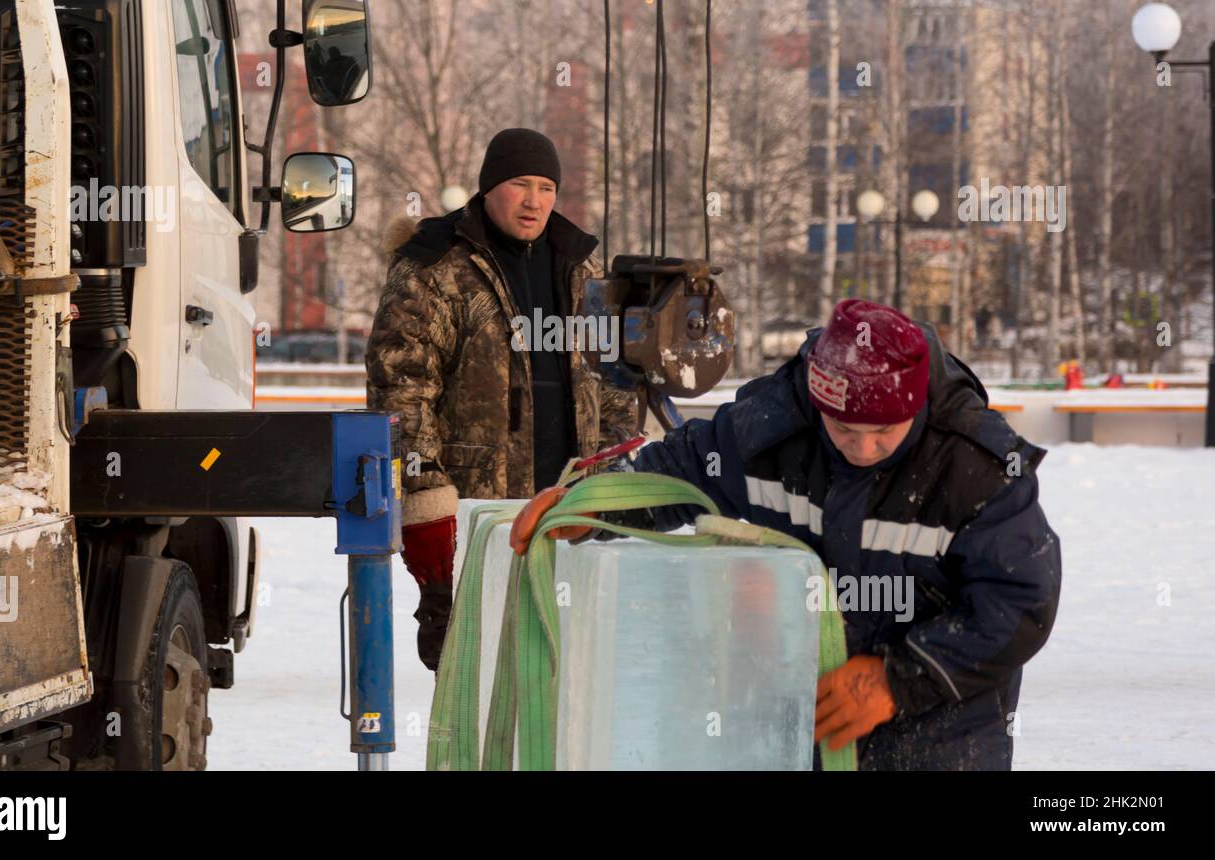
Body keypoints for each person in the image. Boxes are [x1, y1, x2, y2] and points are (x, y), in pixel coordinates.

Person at [607, 299, 1061, 769]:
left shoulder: (976, 466)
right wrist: (598, 501)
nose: (863, 448)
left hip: (942, 734)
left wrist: (898, 680)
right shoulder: (774, 428)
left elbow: (1022, 599)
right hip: (807, 717)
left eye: (885, 430)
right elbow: (686, 468)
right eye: (843, 428)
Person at [366, 127, 638, 670]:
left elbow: (611, 381)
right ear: (489, 186)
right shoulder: (434, 264)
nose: (534, 200)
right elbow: (402, 383)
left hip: (568, 506)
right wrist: (427, 503)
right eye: (520, 184)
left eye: (546, 187)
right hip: (476, 510)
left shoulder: (581, 266)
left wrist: (610, 475)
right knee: (480, 679)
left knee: (567, 675)